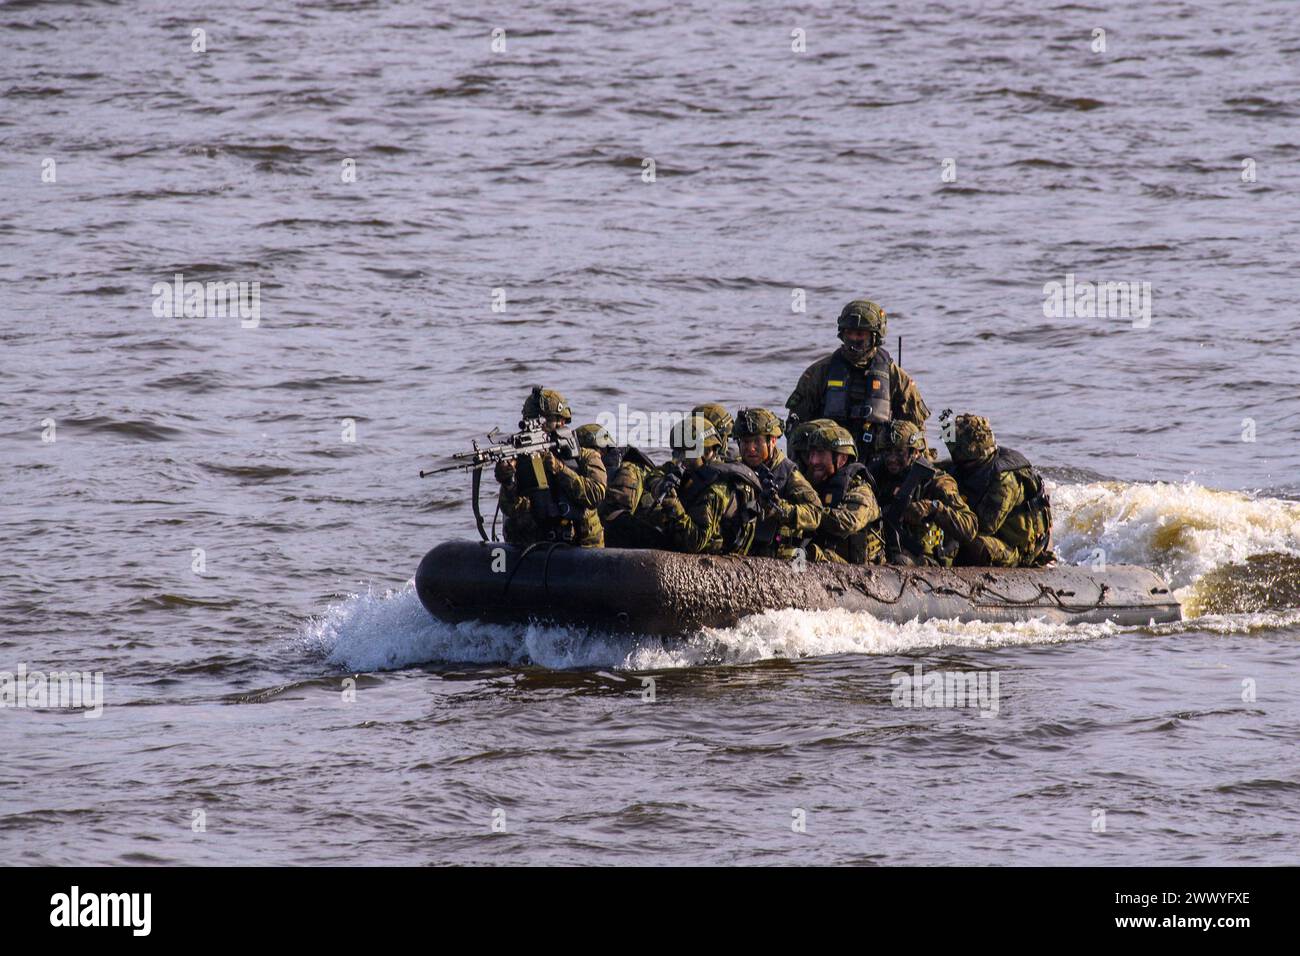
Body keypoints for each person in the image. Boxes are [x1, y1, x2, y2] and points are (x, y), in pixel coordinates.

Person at [785, 299, 930, 464]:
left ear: (874, 336)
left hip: (882, 463)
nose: (854, 339)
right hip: (830, 463)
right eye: (849, 333)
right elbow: (796, 429)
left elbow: (916, 432)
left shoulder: (896, 378)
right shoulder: (819, 373)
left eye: (860, 334)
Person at [494, 388, 607, 547]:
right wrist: (508, 483)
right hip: (535, 547)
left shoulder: (586, 456)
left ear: (561, 421)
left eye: (545, 420)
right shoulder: (521, 458)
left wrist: (560, 469)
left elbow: (596, 495)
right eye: (532, 420)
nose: (539, 426)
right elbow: (512, 510)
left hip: (582, 547)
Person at [941, 412, 1055, 567]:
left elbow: (983, 527)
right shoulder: (970, 464)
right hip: (995, 534)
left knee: (974, 546)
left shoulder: (1004, 480)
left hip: (1017, 548)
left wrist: (941, 514)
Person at [644, 415, 761, 555]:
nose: (680, 459)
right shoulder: (692, 468)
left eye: (687, 452)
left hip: (712, 557)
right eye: (677, 452)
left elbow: (696, 542)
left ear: (707, 452)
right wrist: (659, 484)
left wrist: (674, 506)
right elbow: (653, 474)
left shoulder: (716, 489)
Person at [868, 420, 975, 566]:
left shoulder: (936, 481)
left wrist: (934, 508)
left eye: (900, 452)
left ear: (915, 452)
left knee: (900, 562)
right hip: (883, 547)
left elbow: (970, 527)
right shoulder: (876, 474)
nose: (892, 458)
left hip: (925, 559)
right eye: (887, 451)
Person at [732, 407, 824, 559]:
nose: (751, 448)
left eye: (757, 441)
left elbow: (815, 514)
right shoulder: (735, 468)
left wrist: (780, 508)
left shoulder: (788, 473)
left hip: (777, 555)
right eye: (745, 442)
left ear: (772, 441)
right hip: (741, 550)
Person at [802, 422, 884, 564]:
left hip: (864, 569)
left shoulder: (860, 490)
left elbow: (848, 522)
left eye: (820, 454)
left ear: (842, 459)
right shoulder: (814, 483)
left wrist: (806, 514)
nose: (813, 461)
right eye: (811, 453)